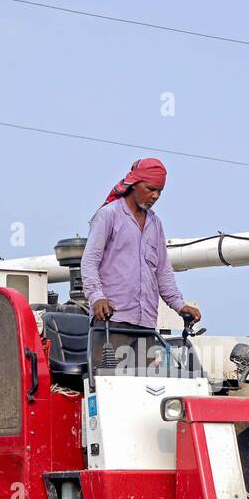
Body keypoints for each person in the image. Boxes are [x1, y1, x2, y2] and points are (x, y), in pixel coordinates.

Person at [81, 159, 201, 372]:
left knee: (145, 390)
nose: (155, 196)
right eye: (151, 189)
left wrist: (179, 305)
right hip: (112, 321)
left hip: (146, 325)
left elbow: (163, 272)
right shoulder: (109, 215)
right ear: (134, 184)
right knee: (109, 386)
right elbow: (89, 261)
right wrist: (97, 297)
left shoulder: (156, 223)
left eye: (160, 191)